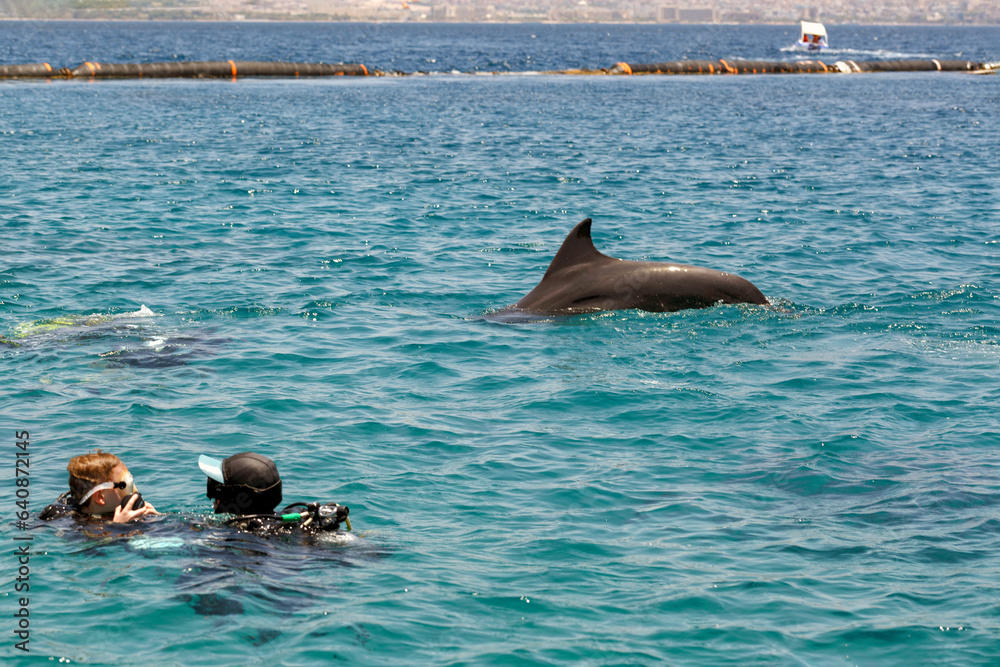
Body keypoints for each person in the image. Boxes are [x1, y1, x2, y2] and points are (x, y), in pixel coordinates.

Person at [198, 452, 349, 534]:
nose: (214, 497)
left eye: (220, 490)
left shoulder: (246, 534)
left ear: (240, 496)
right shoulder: (297, 515)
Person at [40, 450, 158, 522]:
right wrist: (119, 528)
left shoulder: (107, 512)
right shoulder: (76, 527)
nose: (133, 491)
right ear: (100, 496)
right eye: (125, 485)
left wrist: (157, 518)